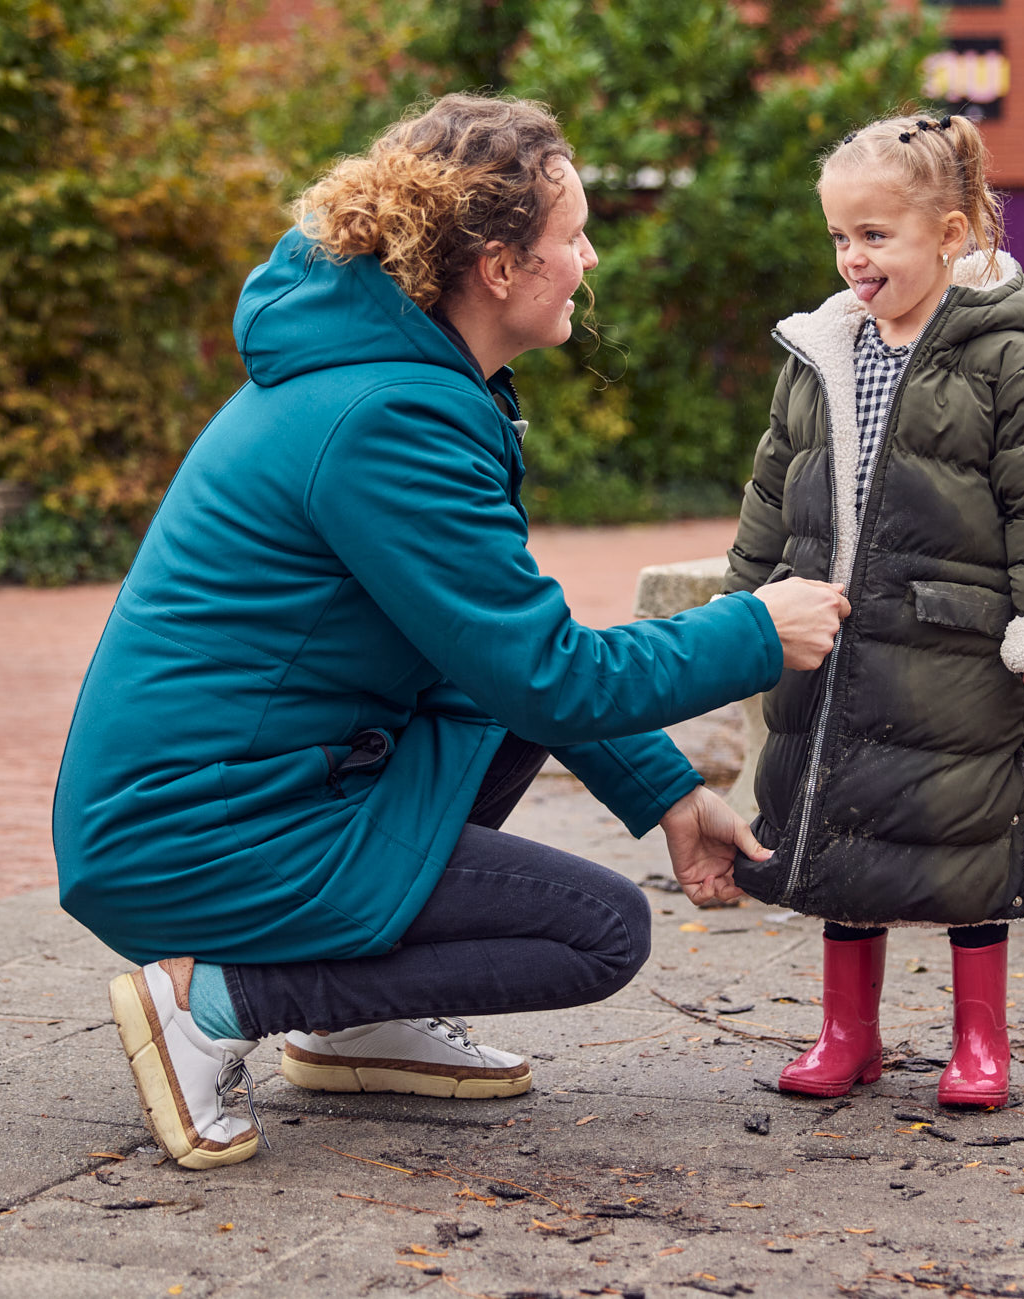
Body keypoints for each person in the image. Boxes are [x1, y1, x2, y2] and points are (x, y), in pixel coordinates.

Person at [52, 95, 853, 1169]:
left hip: (241, 795)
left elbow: (503, 651)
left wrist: (663, 788)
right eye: (570, 235)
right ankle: (213, 1003)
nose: (589, 255)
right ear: (497, 266)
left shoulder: (405, 383)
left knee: (482, 687)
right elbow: (548, 673)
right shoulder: (387, 417)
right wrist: (752, 629)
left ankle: (351, 1015)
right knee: (597, 932)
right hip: (192, 835)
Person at [723, 111, 1024, 1110]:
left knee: (961, 838)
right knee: (835, 829)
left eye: (876, 235)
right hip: (828, 637)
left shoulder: (1007, 358)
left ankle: (979, 1040)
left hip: (951, 642)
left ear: (949, 233)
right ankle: (846, 1030)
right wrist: (738, 612)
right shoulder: (821, 350)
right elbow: (773, 491)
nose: (854, 258)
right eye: (839, 237)